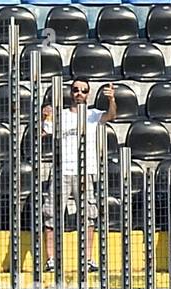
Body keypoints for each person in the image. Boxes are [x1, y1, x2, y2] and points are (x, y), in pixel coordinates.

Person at [42, 81, 115, 273]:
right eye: (76, 90)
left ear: (88, 94)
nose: (79, 93)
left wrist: (111, 99)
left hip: (85, 171)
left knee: (88, 217)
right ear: (71, 93)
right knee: (52, 215)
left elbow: (111, 115)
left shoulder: (93, 114)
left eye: (83, 90)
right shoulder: (62, 115)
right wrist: (44, 116)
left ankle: (88, 259)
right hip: (62, 170)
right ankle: (51, 259)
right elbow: (44, 132)